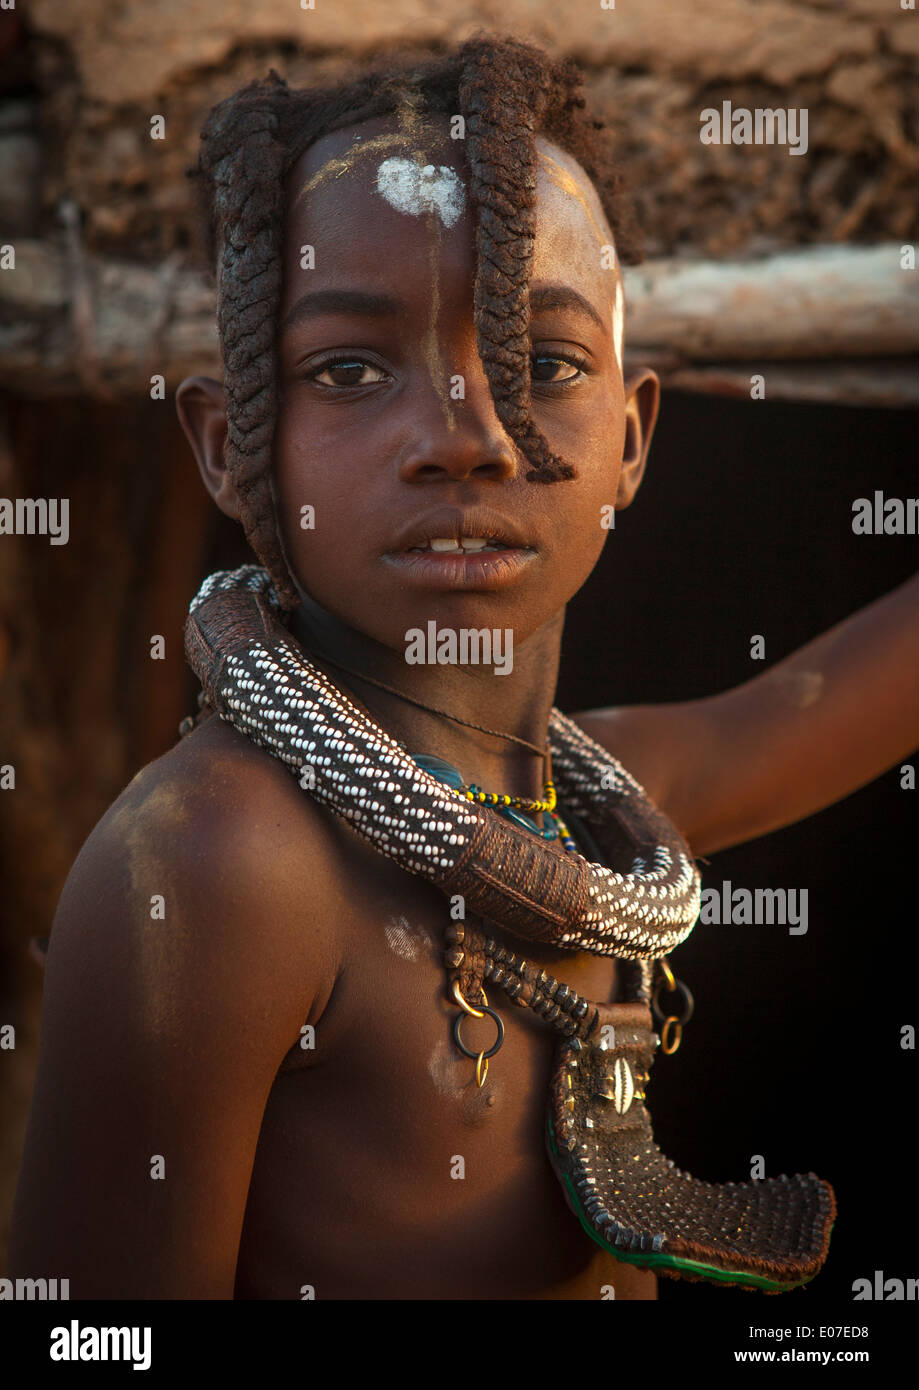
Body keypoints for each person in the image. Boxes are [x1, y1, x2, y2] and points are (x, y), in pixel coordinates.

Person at [9, 34, 918, 1300]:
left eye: (542, 365)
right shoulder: (215, 864)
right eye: (350, 369)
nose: (465, 437)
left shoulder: (609, 811)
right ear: (228, 446)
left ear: (636, 437)